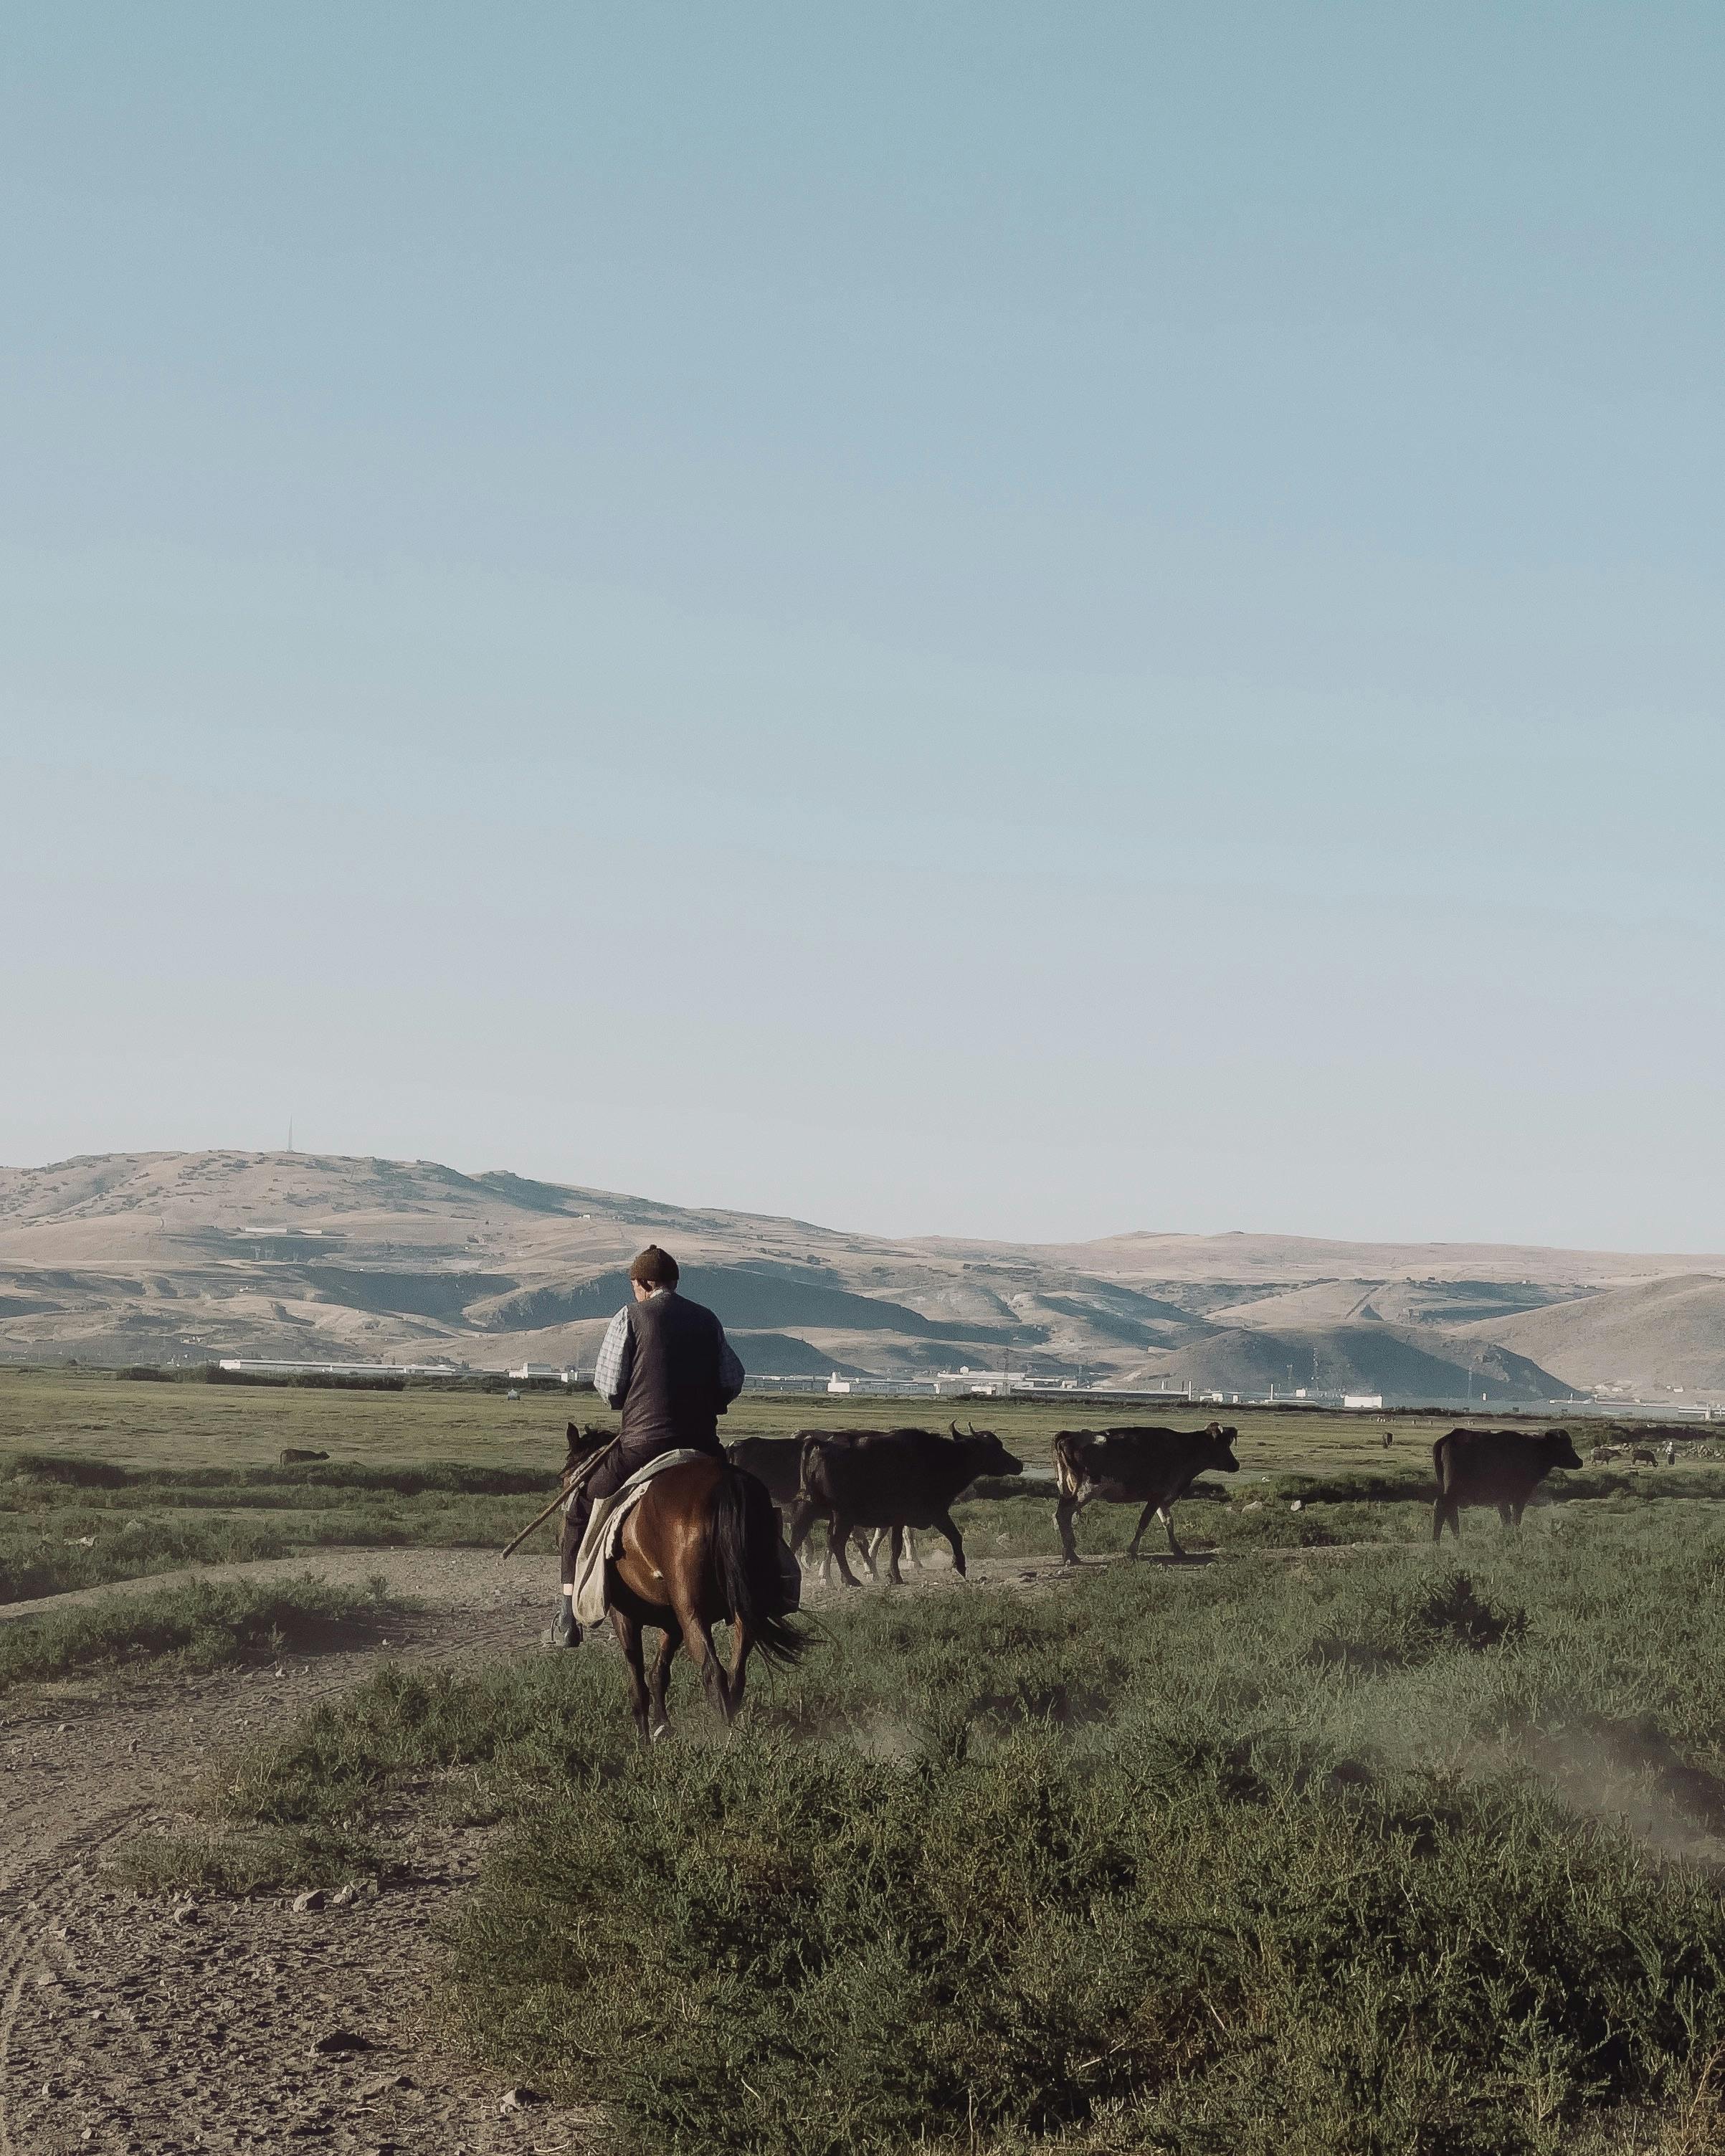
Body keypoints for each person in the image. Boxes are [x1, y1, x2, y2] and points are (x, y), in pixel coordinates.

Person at [552, 1243, 745, 1646]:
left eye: (634, 1287)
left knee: (580, 1505)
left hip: (642, 1444)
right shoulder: (707, 1319)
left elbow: (609, 1386)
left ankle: (569, 1614)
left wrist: (629, 1400)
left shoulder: (630, 1316)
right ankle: (777, 1582)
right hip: (703, 1445)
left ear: (642, 1284)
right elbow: (731, 1380)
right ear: (674, 1282)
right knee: (745, 1498)